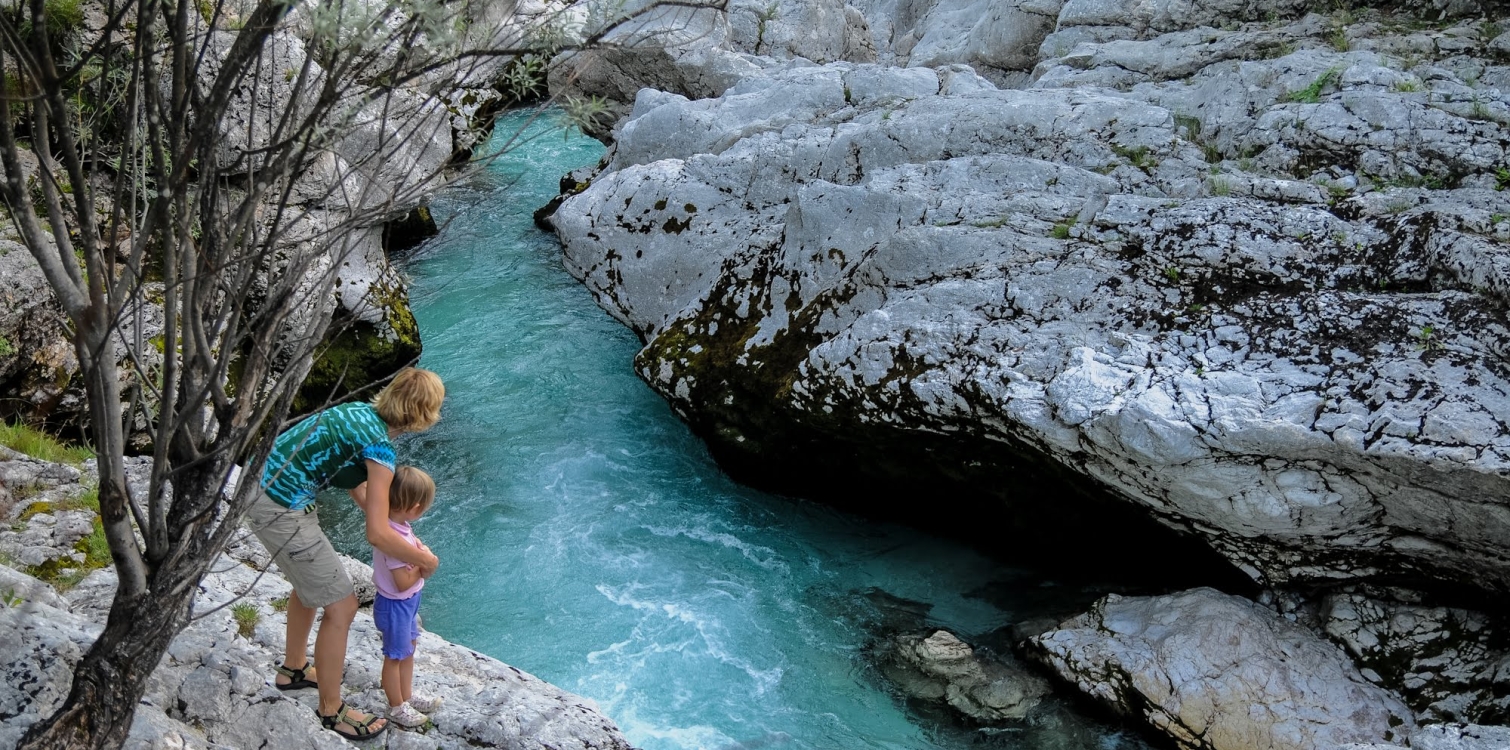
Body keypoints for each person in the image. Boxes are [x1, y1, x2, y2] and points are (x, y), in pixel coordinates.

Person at [245, 367, 444, 741]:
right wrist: (424, 560)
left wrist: (391, 524)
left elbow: (361, 492)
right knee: (343, 604)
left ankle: (294, 668)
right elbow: (377, 533)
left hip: (261, 484)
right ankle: (332, 710)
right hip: (280, 506)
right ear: (423, 416)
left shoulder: (356, 414)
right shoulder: (380, 449)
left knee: (309, 585)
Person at [354, 465, 442, 728]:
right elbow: (402, 582)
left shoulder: (397, 524)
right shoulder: (392, 538)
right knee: (394, 656)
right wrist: (424, 569)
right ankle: (396, 706)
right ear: (415, 508)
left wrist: (419, 552)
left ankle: (407, 695)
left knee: (408, 650)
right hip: (395, 605)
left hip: (407, 604)